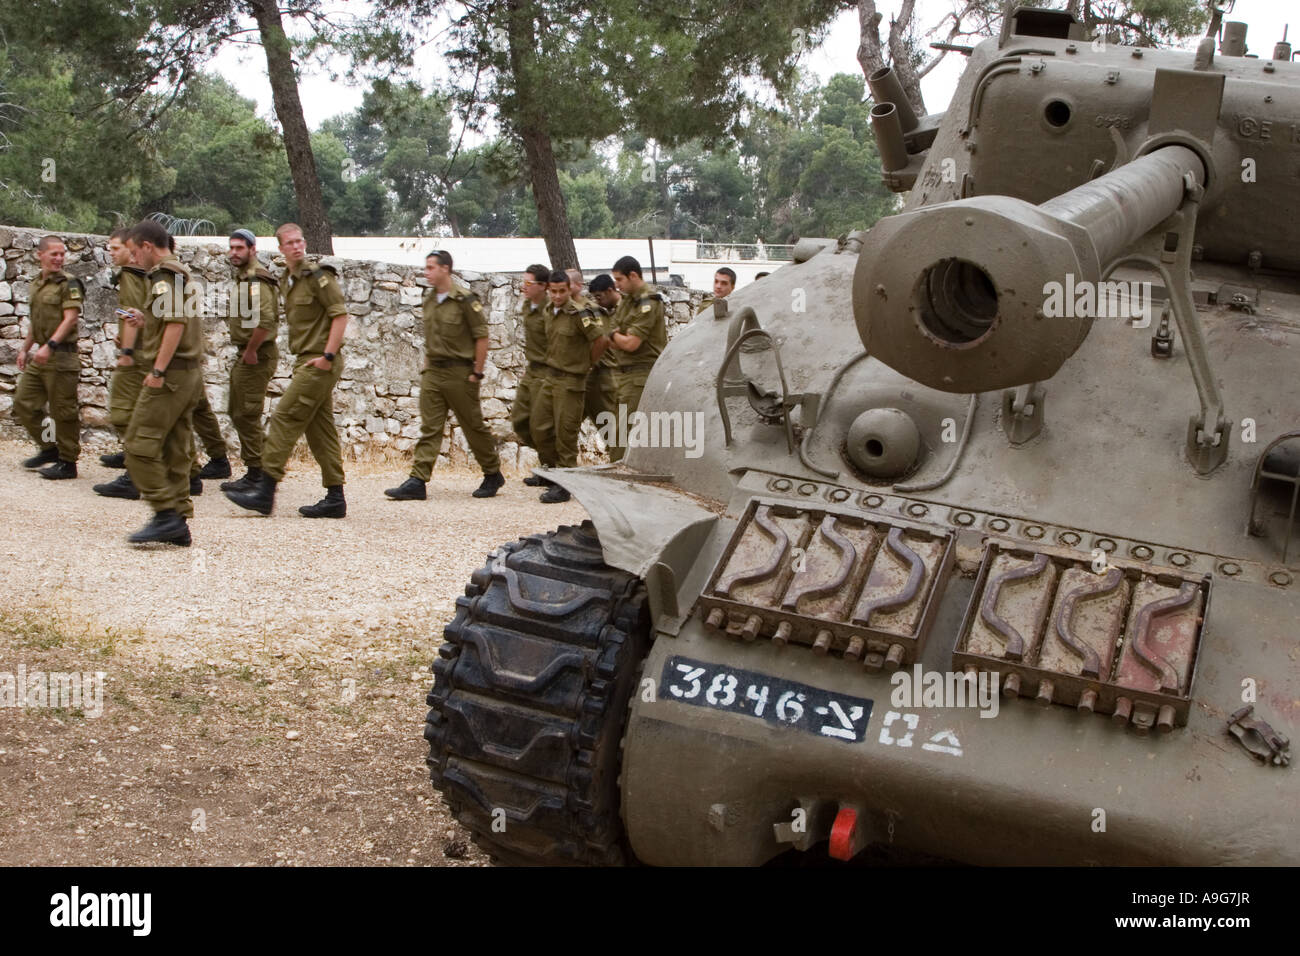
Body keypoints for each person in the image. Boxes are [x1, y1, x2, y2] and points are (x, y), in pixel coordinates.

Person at [225, 222, 349, 518]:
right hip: (305, 359)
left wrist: (327, 357)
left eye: (299, 241)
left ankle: (265, 491)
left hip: (320, 360)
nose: (296, 246)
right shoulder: (286, 281)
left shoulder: (319, 277)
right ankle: (335, 497)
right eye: (289, 243)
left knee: (283, 418)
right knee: (320, 429)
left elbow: (340, 318)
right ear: (280, 249)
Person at [383, 249, 503, 501]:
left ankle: (492, 472)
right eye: (426, 268)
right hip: (434, 372)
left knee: (473, 426)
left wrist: (477, 372)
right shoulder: (428, 298)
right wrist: (427, 367)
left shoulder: (466, 300)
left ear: (445, 269)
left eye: (431, 267)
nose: (426, 272)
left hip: (460, 372)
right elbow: (431, 337)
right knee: (430, 427)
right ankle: (417, 480)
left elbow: (481, 336)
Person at [119, 220, 204, 545]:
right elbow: (170, 318)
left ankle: (166, 513)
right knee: (174, 447)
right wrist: (146, 318)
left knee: (138, 445)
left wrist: (157, 370)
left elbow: (175, 325)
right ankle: (178, 520)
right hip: (188, 374)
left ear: (147, 246)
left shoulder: (163, 276)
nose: (133, 260)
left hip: (170, 376)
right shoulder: (179, 274)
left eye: (133, 252)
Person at [532, 270, 607, 503]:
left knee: (566, 433)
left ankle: (564, 484)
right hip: (550, 377)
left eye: (561, 291)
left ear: (569, 289)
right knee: (539, 426)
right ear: (548, 291)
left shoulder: (579, 314)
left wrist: (588, 364)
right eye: (552, 291)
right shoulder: (548, 311)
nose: (556, 296)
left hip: (571, 380)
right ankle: (552, 472)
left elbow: (601, 340)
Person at [13, 235, 83, 479]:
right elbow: (36, 321)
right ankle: (49, 448)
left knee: (63, 411)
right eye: (54, 253)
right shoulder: (36, 283)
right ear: (39, 255)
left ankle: (68, 461)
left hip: (62, 356)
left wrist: (50, 345)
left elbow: (71, 317)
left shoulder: (69, 283)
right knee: (24, 403)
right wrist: (25, 348)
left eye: (62, 254)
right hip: (42, 354)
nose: (59, 258)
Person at [218, 229, 279, 495]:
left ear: (252, 250)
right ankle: (259, 469)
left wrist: (252, 350)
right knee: (237, 410)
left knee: (247, 414)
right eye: (231, 248)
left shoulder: (257, 279)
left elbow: (266, 321)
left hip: (257, 354)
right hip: (247, 352)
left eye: (239, 248)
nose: (234, 253)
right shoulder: (243, 277)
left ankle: (259, 474)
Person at [96, 228, 149, 481]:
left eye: (116, 248)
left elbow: (131, 313)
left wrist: (126, 351)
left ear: (131, 249)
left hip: (136, 355)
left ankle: (137, 467)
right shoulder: (140, 275)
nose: (111, 253)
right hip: (142, 348)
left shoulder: (130, 275)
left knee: (122, 412)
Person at [508, 263, 553, 488]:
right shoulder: (528, 306)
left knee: (541, 425)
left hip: (547, 371)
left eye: (528, 283)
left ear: (543, 286)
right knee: (519, 421)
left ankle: (551, 470)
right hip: (532, 369)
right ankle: (548, 464)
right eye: (522, 282)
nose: (523, 287)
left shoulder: (551, 309)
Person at [608, 255, 667, 421]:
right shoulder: (627, 301)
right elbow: (611, 341)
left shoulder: (648, 302)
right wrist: (616, 336)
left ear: (633, 276)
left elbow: (631, 344)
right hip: (623, 375)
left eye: (619, 279)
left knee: (623, 436)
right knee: (616, 433)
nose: (616, 285)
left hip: (641, 376)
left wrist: (614, 335)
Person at [584, 273, 622, 461]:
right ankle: (551, 468)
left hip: (609, 376)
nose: (597, 301)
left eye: (599, 297)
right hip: (590, 376)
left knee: (609, 426)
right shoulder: (599, 311)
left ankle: (618, 464)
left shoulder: (626, 311)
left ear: (610, 290)